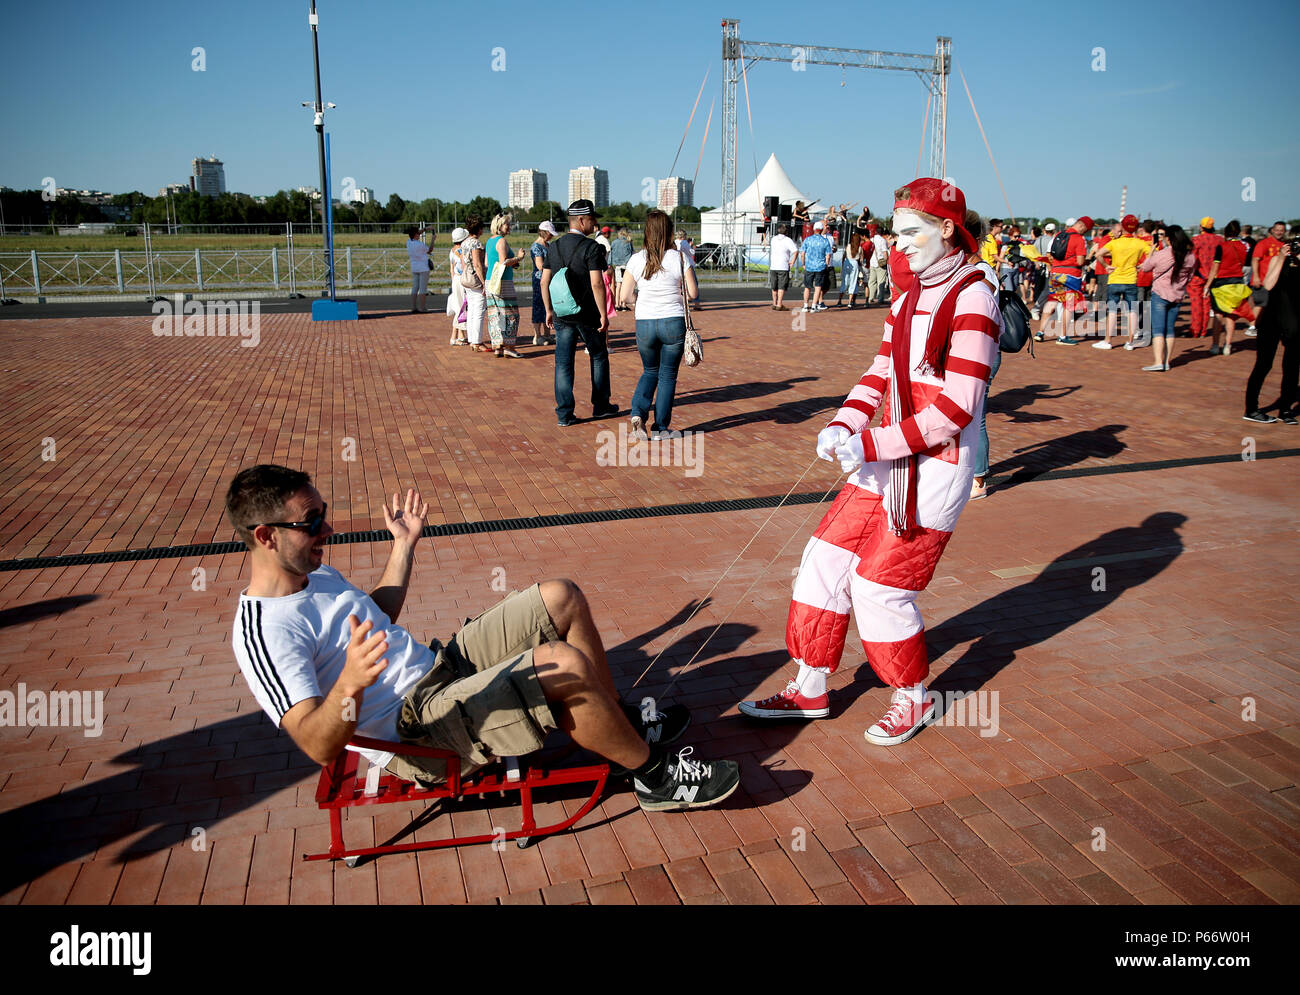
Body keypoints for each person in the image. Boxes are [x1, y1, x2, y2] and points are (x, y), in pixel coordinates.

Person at [225, 465, 740, 812]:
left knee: (560, 596)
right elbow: (315, 743)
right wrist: (352, 684)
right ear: (266, 536)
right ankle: (654, 777)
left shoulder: (314, 575)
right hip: (418, 732)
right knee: (561, 662)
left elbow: (374, 618)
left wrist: (403, 548)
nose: (327, 529)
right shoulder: (265, 631)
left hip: (440, 669)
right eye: (311, 522)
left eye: (322, 513)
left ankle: (621, 725)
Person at [737, 178, 999, 746]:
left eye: (911, 233)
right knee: (822, 561)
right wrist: (844, 422)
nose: (898, 244)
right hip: (887, 457)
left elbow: (958, 408)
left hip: (937, 466)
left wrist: (869, 443)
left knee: (880, 586)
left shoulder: (974, 294)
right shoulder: (907, 298)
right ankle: (810, 685)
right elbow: (879, 372)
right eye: (896, 233)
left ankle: (913, 696)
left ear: (947, 229)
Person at [620, 208, 698, 441]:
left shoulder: (636, 259)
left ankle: (637, 414)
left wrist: (639, 302)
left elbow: (624, 295)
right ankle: (661, 428)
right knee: (667, 376)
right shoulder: (679, 257)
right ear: (669, 232)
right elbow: (693, 293)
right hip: (672, 321)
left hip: (644, 321)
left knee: (649, 371)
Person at [541, 200, 618, 427]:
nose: (594, 224)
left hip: (562, 313)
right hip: (587, 314)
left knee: (563, 362)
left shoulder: (553, 247)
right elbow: (597, 284)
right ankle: (601, 406)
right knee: (598, 355)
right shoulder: (592, 248)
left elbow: (545, 281)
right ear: (582, 220)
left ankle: (564, 413)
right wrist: (604, 314)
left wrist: (548, 309)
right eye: (592, 219)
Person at [963, 213, 1005, 501]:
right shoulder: (968, 269)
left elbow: (980, 308)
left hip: (982, 351)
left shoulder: (982, 272)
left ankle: (978, 478)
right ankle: (969, 472)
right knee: (966, 414)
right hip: (968, 349)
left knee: (974, 416)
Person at [1244, 242, 1299, 424]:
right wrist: (1283, 258)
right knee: (1263, 364)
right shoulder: (1278, 259)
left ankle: (1285, 409)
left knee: (1291, 367)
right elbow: (1268, 284)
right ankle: (1251, 409)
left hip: (1295, 321)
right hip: (1272, 319)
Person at [1137, 224, 1197, 372]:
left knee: (1158, 329)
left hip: (1160, 294)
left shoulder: (1162, 254)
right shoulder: (1190, 257)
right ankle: (1167, 361)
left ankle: (1158, 361)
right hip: (1177, 295)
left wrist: (1151, 251)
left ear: (1169, 239)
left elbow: (1145, 267)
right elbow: (1190, 276)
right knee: (1170, 330)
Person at [1094, 214, 1151, 350]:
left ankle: (1107, 341)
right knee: (1132, 311)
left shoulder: (1115, 242)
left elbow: (1098, 254)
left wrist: (1107, 266)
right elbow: (1151, 256)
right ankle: (1130, 342)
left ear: (1123, 227)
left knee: (1112, 311)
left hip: (1115, 279)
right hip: (1131, 279)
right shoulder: (1140, 243)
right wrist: (1141, 266)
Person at [1036, 216, 1092, 344]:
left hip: (1056, 273)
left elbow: (1050, 254)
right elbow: (1080, 261)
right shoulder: (1079, 239)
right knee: (1069, 305)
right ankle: (1062, 336)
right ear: (1082, 226)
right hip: (1071, 275)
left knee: (1052, 301)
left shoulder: (1059, 235)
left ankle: (1040, 332)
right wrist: (1087, 261)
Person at [1203, 219, 1253, 356]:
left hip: (1221, 284)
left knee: (1218, 316)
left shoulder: (1222, 247)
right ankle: (1228, 345)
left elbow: (1215, 268)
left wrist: (1207, 285)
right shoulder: (1245, 246)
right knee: (1232, 316)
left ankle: (1215, 345)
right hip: (1237, 283)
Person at [483, 213, 525, 359]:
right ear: (500, 225)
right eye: (507, 223)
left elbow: (488, 263)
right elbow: (503, 262)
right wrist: (518, 258)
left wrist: (513, 262)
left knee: (495, 314)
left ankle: (498, 347)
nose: (510, 226)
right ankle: (509, 347)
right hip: (503, 282)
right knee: (511, 314)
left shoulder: (489, 241)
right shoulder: (501, 241)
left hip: (491, 281)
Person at [460, 216, 490, 353]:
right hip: (475, 280)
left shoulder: (464, 242)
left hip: (466, 279)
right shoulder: (476, 243)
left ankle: (472, 339)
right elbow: (478, 264)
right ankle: (477, 342)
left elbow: (463, 261)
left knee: (471, 310)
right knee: (478, 311)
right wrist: (484, 283)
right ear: (479, 229)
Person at [1188, 218, 1222, 338]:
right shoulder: (1219, 240)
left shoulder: (1197, 240)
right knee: (1207, 303)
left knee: (1196, 303)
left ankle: (1195, 330)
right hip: (1213, 276)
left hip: (1198, 275)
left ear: (1201, 227)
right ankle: (1203, 330)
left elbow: (1193, 259)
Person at [1250, 221, 1287, 322]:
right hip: (1262, 280)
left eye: (1281, 231)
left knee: (1271, 307)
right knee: (1261, 304)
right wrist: (1256, 277)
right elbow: (1255, 259)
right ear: (1273, 230)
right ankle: (1252, 325)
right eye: (1277, 230)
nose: (1279, 232)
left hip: (1276, 281)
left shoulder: (1284, 245)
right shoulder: (1264, 243)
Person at [529, 221, 558, 346]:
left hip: (549, 279)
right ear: (544, 232)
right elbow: (540, 265)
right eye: (550, 234)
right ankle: (537, 335)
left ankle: (547, 334)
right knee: (538, 306)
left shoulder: (548, 245)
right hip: (540, 280)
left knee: (548, 306)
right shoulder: (536, 247)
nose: (551, 236)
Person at [799, 220, 834, 312]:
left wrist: (803, 263)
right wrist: (826, 264)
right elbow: (828, 255)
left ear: (814, 229)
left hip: (809, 266)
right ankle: (814, 306)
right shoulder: (825, 241)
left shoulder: (808, 240)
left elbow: (802, 253)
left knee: (807, 287)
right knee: (818, 287)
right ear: (821, 229)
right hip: (820, 266)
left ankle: (806, 305)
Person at [446, 227, 469, 346]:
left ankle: (459, 335)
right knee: (462, 307)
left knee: (460, 307)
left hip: (455, 279)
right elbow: (464, 265)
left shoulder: (452, 250)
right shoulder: (461, 251)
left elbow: (451, 269)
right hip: (461, 279)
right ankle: (454, 336)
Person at [768, 222, 798, 310]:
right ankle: (779, 304)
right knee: (782, 286)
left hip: (773, 265)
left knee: (774, 286)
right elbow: (795, 251)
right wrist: (792, 261)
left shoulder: (773, 239)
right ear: (786, 231)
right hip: (783, 265)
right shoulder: (788, 240)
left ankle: (774, 302)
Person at [406, 226, 432, 314]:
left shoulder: (409, 242)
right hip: (423, 268)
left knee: (414, 288)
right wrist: (433, 240)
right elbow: (430, 250)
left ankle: (413, 307)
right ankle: (422, 307)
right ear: (416, 235)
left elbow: (415, 234)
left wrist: (425, 229)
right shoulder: (420, 245)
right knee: (422, 289)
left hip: (414, 267)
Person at [610, 228, 635, 311]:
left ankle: (617, 304)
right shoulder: (628, 242)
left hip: (617, 266)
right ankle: (624, 304)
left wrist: (609, 263)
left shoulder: (614, 242)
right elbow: (632, 253)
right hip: (626, 266)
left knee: (618, 285)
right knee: (625, 285)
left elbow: (611, 253)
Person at [836, 232, 863, 307]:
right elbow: (861, 259)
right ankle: (849, 302)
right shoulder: (860, 248)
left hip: (847, 262)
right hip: (854, 263)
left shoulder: (848, 246)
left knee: (844, 282)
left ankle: (839, 300)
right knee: (853, 282)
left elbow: (844, 256)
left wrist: (842, 265)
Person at [866, 222, 890, 305]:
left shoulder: (871, 239)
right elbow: (885, 253)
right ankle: (880, 298)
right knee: (881, 281)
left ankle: (870, 297)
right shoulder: (882, 240)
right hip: (880, 263)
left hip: (872, 262)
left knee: (872, 281)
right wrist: (886, 261)